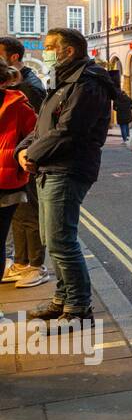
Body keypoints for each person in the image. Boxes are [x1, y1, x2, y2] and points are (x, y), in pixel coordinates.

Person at [18, 28, 114, 324]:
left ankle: (78, 307)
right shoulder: (63, 80)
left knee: (61, 241)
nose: (46, 51)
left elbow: (69, 131)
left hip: (68, 168)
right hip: (50, 166)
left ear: (69, 50)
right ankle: (63, 299)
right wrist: (23, 151)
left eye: (50, 47)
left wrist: (32, 155)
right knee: (51, 239)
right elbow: (41, 126)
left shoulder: (87, 84)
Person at [0, 36, 46, 290]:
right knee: (19, 218)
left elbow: (38, 129)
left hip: (19, 167)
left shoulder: (27, 89)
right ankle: (21, 263)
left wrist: (25, 155)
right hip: (10, 169)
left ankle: (35, 266)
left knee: (29, 215)